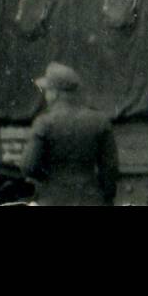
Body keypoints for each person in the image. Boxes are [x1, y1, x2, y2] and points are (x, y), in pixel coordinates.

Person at [21, 62, 120, 206]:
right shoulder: (100, 121)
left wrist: (48, 180)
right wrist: (105, 198)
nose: (46, 96)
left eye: (47, 91)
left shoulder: (44, 122)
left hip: (52, 199)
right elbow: (110, 169)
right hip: (91, 199)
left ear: (55, 93)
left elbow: (28, 166)